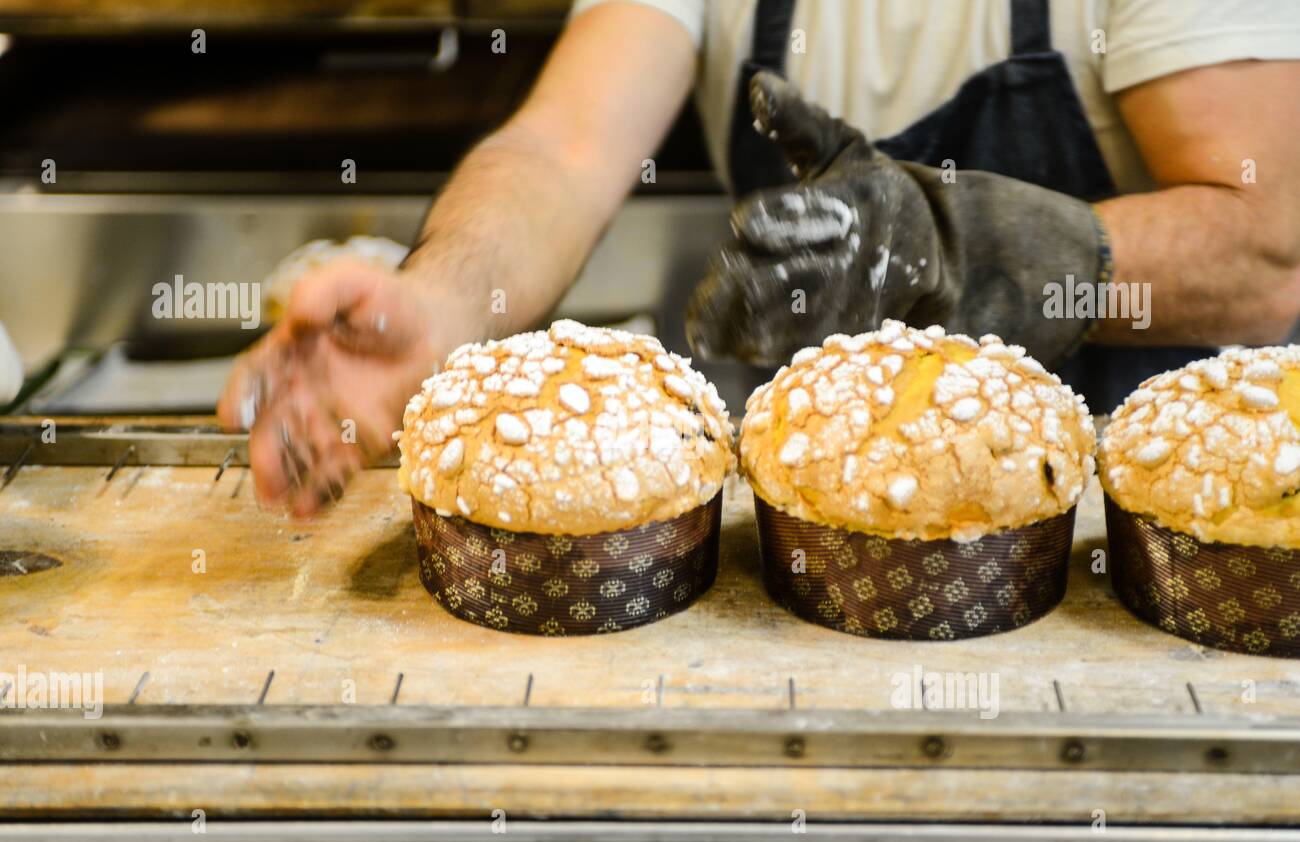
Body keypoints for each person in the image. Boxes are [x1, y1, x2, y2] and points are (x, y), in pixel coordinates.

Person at [218, 0, 1300, 516]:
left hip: (1129, 546)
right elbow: (562, 149)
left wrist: (953, 247)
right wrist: (440, 307)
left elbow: (1266, 247)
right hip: (803, 538)